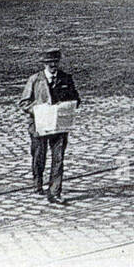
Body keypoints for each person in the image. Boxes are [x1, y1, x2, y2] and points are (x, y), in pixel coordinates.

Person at [17, 48, 81, 203]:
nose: (53, 65)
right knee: (39, 157)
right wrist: (39, 110)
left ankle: (54, 192)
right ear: (44, 64)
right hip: (39, 125)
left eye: (55, 62)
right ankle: (38, 183)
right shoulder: (35, 80)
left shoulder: (66, 78)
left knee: (58, 158)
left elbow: (76, 99)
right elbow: (24, 103)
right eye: (49, 63)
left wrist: (67, 106)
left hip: (59, 126)